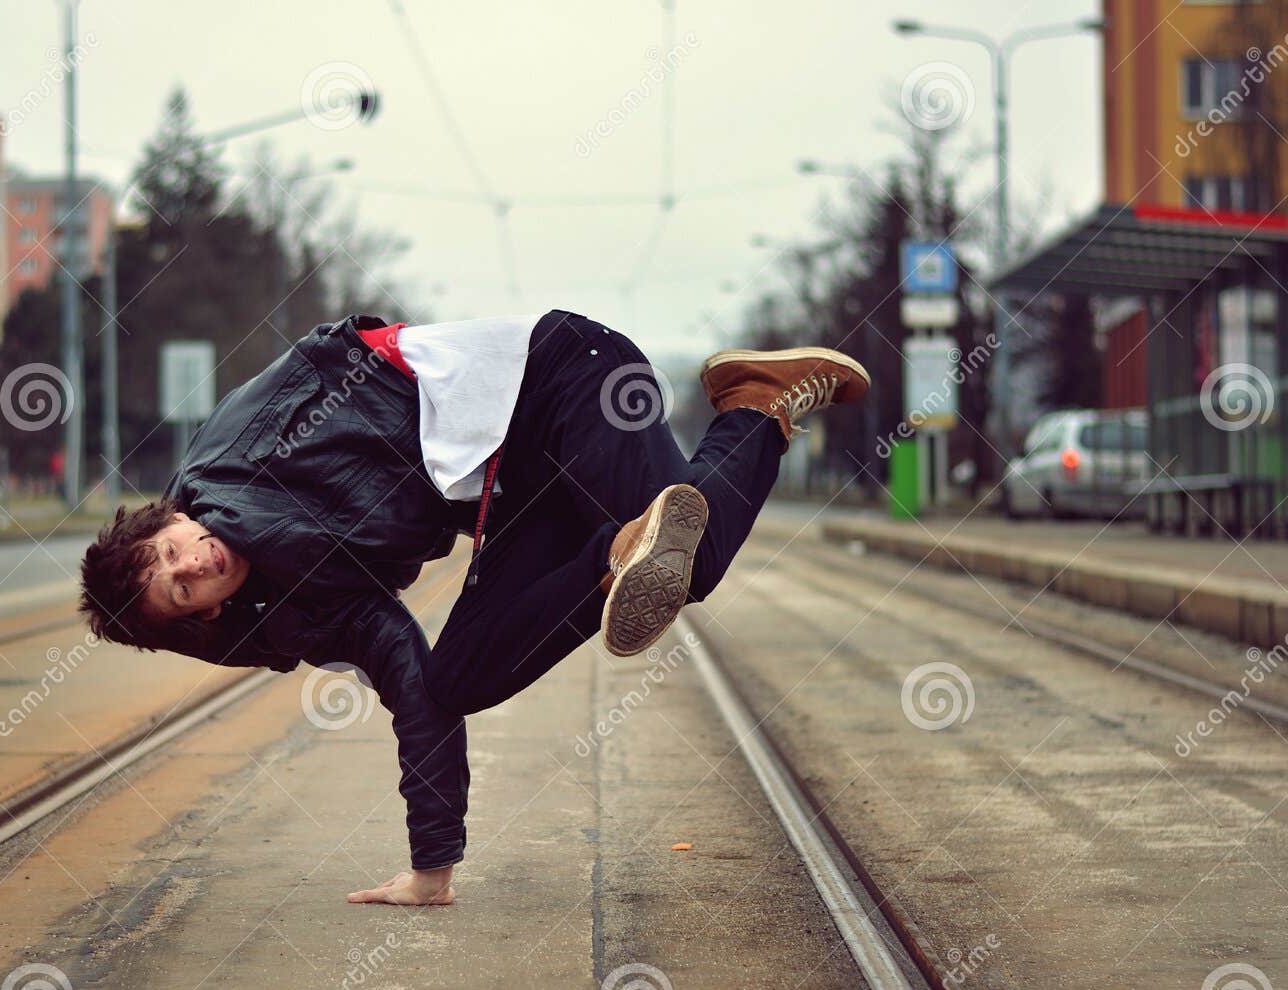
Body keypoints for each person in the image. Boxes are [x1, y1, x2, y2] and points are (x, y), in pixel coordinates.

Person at [78, 310, 868, 906]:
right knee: (455, 677)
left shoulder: (240, 449)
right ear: (205, 618)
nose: (196, 561)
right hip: (523, 492)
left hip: (564, 376)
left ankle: (753, 404)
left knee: (686, 562)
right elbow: (410, 692)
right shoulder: (306, 605)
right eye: (182, 587)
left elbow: (325, 349)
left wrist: (383, 358)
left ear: (174, 515)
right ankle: (612, 556)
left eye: (173, 546)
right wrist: (431, 867)